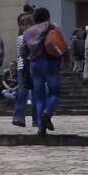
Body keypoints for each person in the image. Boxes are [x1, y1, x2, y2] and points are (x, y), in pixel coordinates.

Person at [22, 7, 65, 138]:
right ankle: (47, 113)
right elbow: (62, 44)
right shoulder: (52, 27)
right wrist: (66, 59)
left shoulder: (27, 32)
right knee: (54, 92)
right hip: (50, 62)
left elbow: (23, 52)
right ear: (48, 16)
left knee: (39, 97)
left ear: (34, 18)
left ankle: (41, 126)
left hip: (35, 64)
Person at [10, 12, 34, 127]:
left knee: (36, 93)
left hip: (35, 66)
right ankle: (19, 118)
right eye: (22, 24)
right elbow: (21, 55)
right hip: (22, 67)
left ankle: (37, 120)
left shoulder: (37, 36)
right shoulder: (20, 38)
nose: (25, 26)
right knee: (22, 92)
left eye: (27, 24)